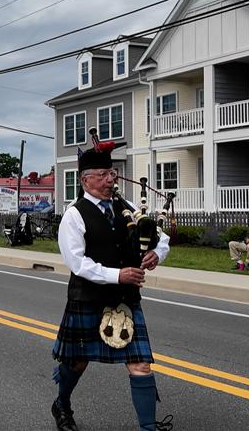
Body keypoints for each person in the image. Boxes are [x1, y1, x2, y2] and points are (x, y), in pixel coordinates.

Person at [51, 145, 171, 431]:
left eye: (112, 174)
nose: (110, 180)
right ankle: (62, 404)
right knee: (77, 361)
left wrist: (157, 253)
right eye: (103, 175)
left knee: (140, 364)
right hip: (88, 299)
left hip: (125, 299)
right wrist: (118, 275)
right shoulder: (74, 215)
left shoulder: (126, 207)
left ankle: (148, 428)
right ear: (85, 180)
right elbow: (77, 263)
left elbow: (161, 237)